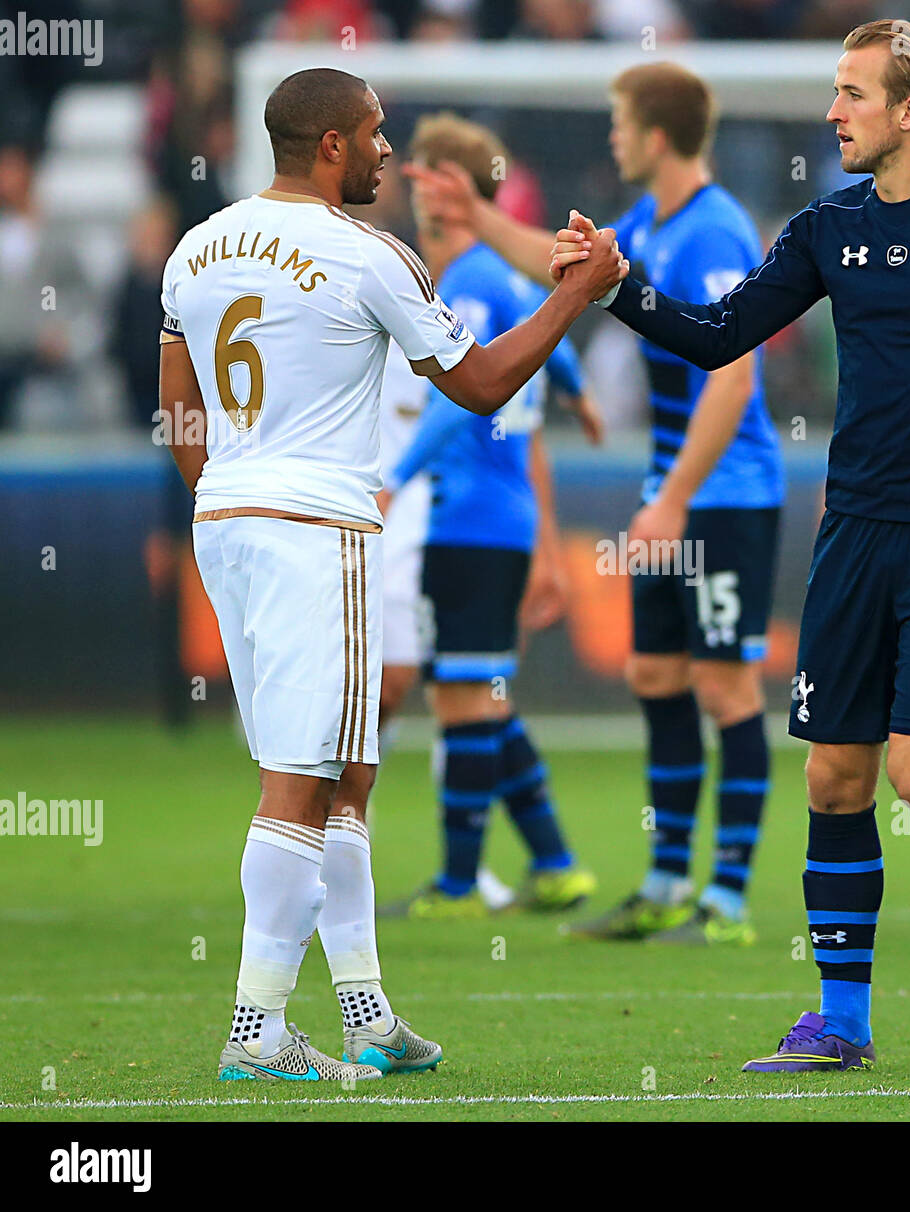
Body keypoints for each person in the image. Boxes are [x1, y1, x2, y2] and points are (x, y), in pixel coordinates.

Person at [552, 20, 910, 1072]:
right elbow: (719, 335)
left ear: (909, 110)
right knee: (836, 781)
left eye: (852, 93)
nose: (832, 111)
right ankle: (841, 1023)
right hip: (852, 534)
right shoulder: (826, 227)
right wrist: (618, 286)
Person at [157, 66, 625, 1081]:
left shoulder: (195, 248)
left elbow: (177, 406)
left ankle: (366, 1012)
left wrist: (227, 492)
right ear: (330, 144)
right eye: (374, 135)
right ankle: (257, 1028)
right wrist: (575, 295)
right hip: (316, 525)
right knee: (303, 781)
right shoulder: (370, 256)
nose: (385, 151)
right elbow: (483, 381)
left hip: (231, 518)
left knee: (346, 773)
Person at [408, 62, 784, 946]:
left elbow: (735, 375)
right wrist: (476, 216)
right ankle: (664, 880)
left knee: (726, 684)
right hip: (675, 491)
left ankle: (725, 899)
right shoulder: (652, 221)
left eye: (619, 124)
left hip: (724, 493)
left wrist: (676, 499)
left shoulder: (717, 228)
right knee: (655, 676)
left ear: (654, 136)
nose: (612, 139)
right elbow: (568, 268)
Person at [376, 113, 600, 920]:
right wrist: (575, 387)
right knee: (477, 693)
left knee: (462, 697)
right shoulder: (497, 280)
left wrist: (395, 476)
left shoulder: (469, 278)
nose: (409, 189)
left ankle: (462, 883)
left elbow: (463, 394)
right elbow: (544, 339)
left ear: (452, 190)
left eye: (422, 176)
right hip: (492, 517)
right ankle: (556, 862)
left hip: (467, 515)